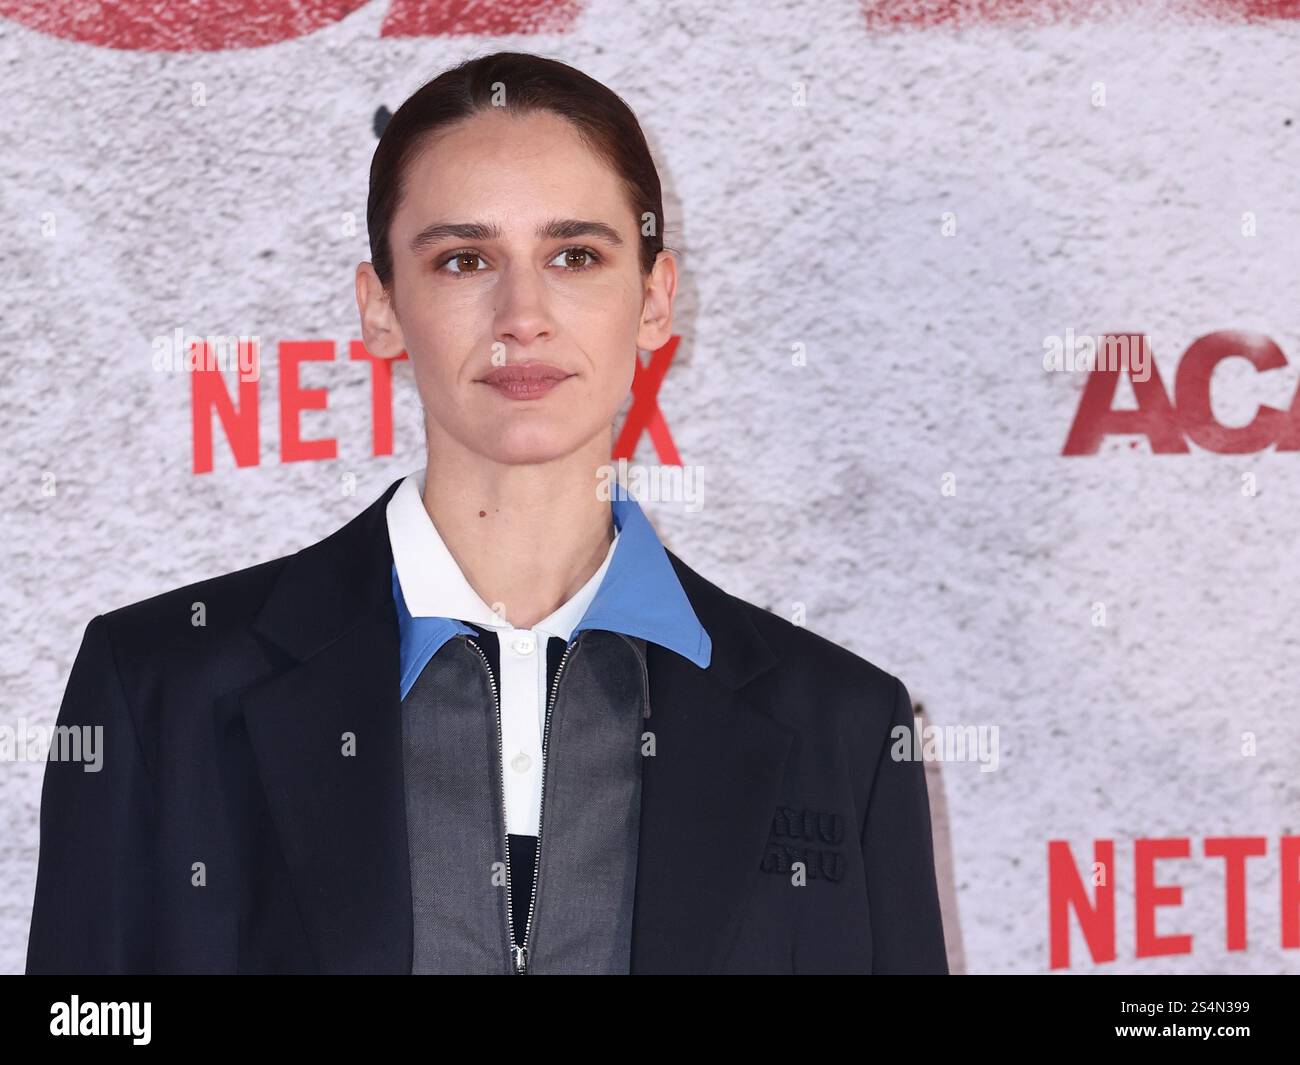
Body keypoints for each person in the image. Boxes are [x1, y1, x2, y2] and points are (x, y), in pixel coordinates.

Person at [25, 51, 948, 974]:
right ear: (382, 307)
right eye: (465, 259)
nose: (523, 314)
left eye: (575, 255)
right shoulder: (160, 693)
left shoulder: (846, 730)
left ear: (656, 299)